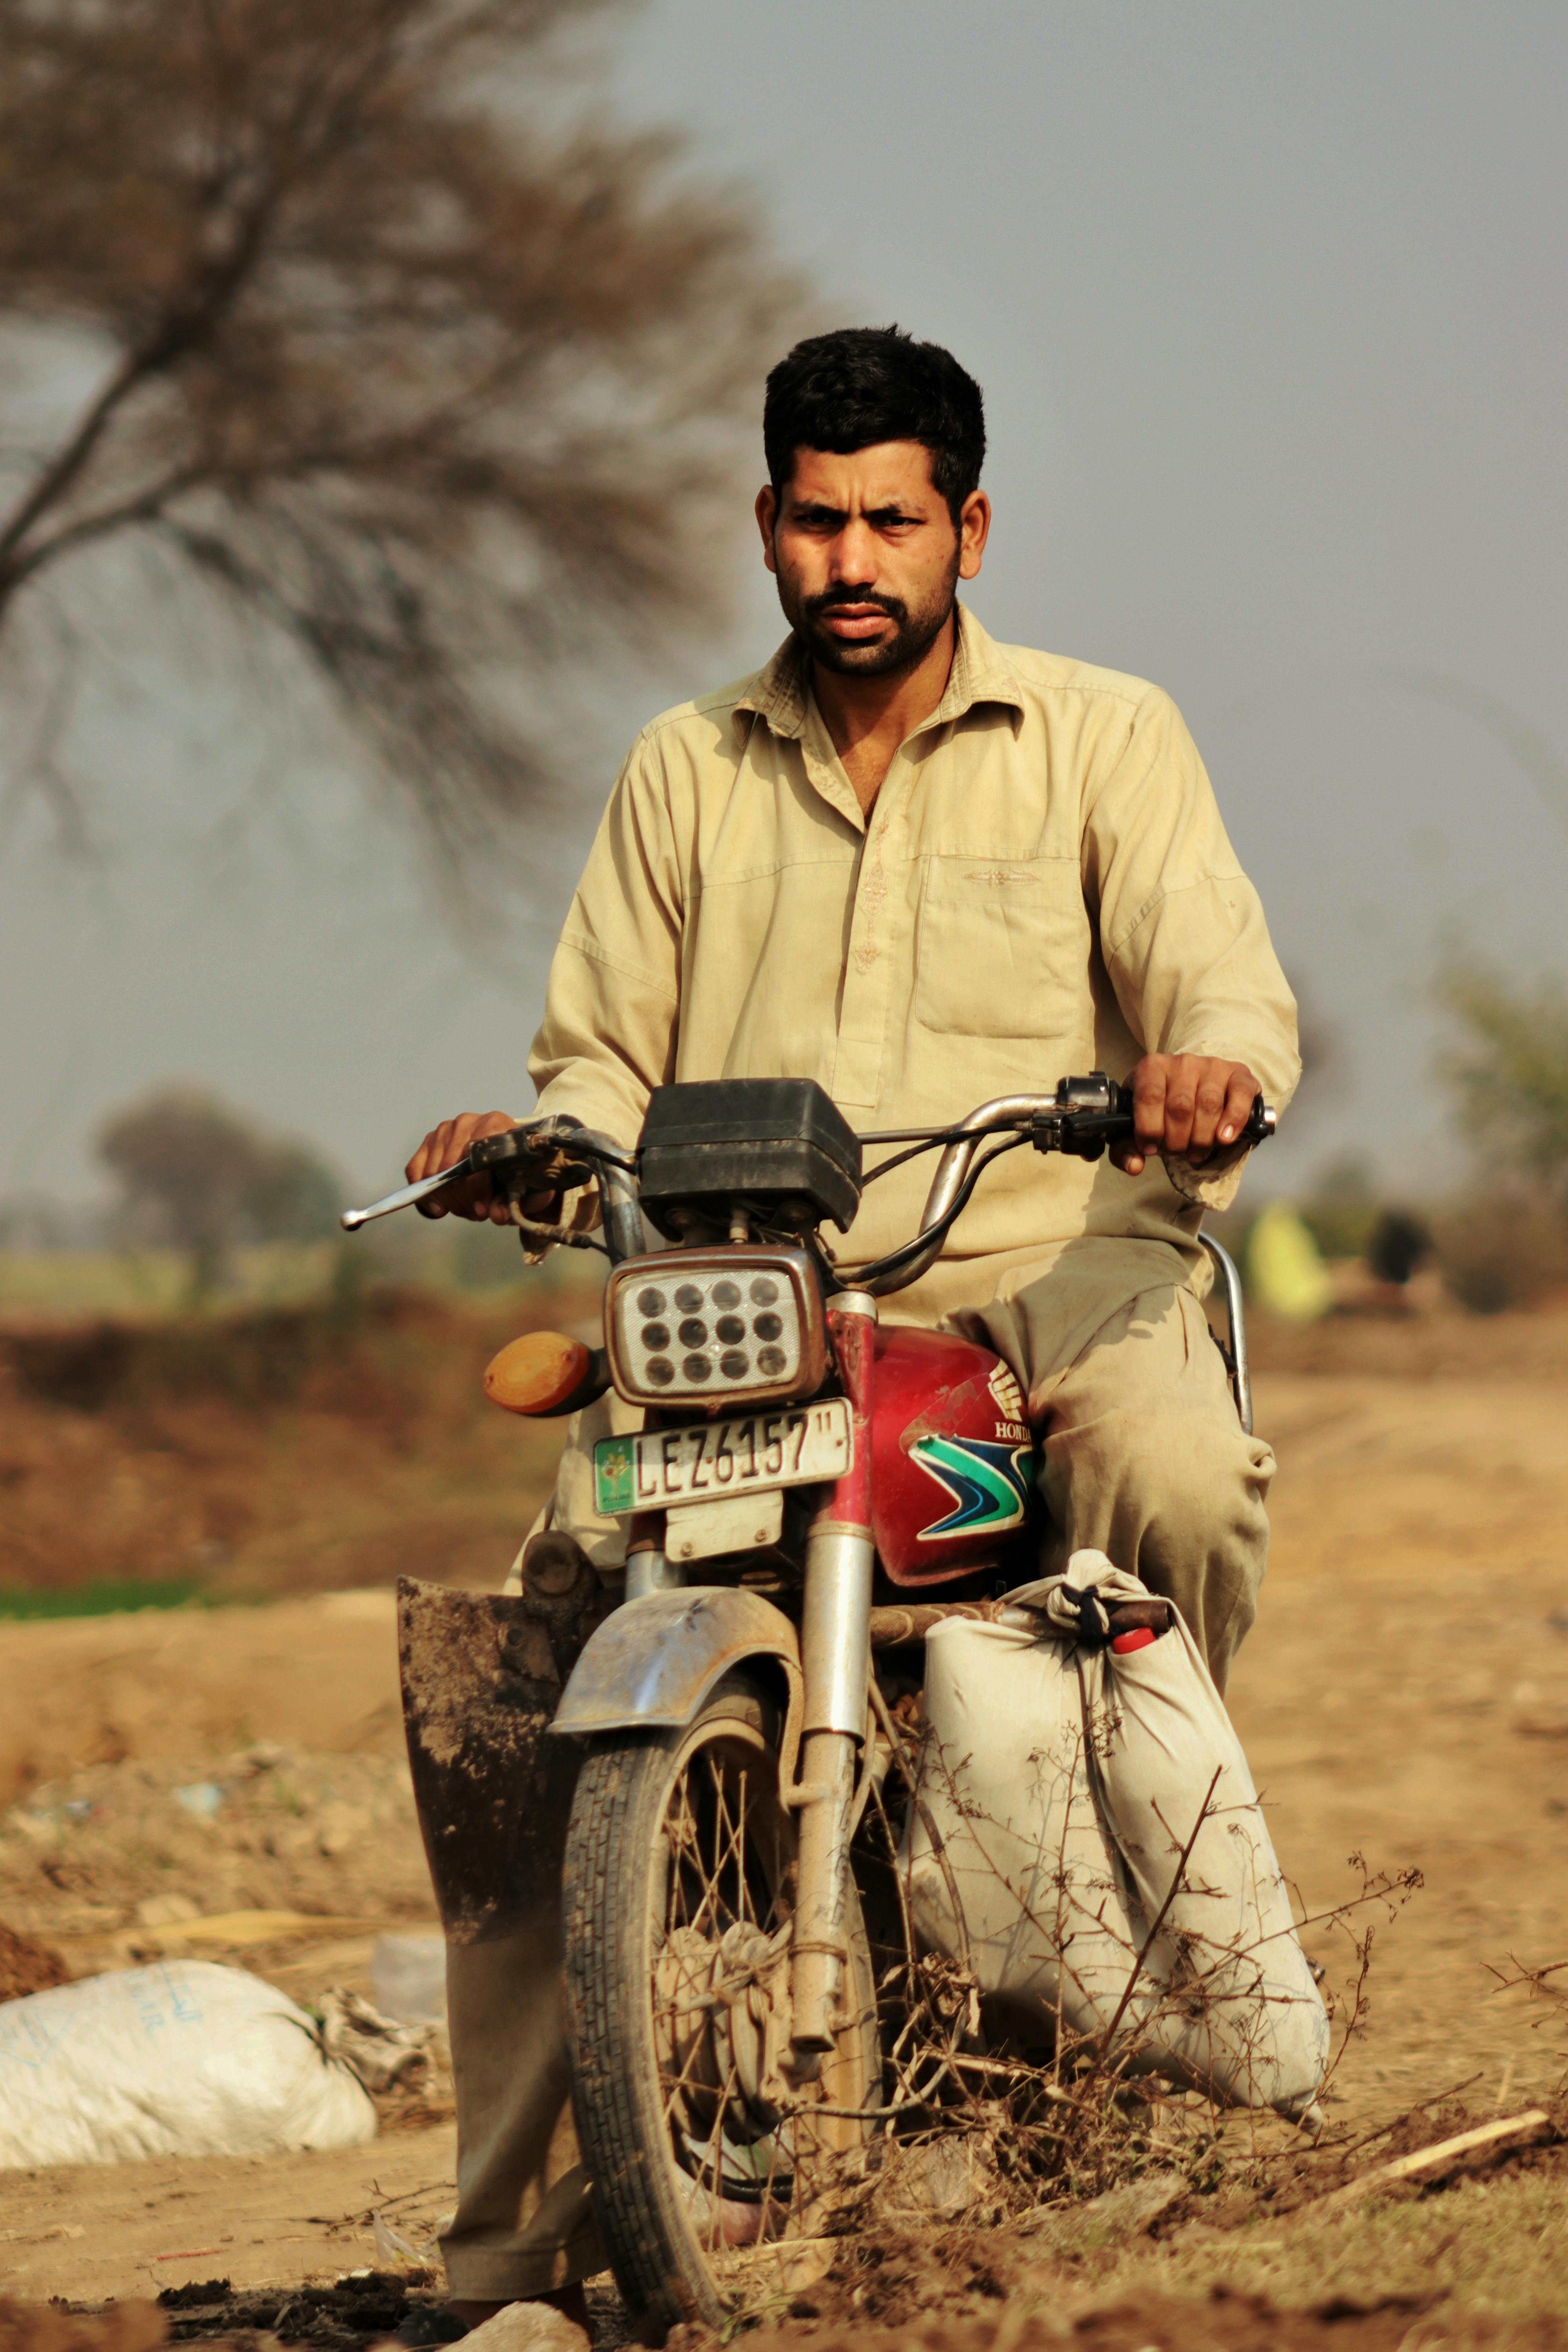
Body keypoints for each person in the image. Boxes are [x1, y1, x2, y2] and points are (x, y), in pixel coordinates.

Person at [398, 326, 1299, 2337]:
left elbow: (1217, 978)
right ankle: (520, 2249)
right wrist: (531, 1146)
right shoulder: (681, 765)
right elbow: (599, 1060)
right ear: (767, 529)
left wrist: (1205, 1070)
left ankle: (1138, 1962)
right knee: (544, 1634)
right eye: (815, 520)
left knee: (1158, 1469)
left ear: (967, 526)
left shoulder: (1100, 734)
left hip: (1044, 1269)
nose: (852, 556)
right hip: (760, 1301)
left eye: (894, 515)